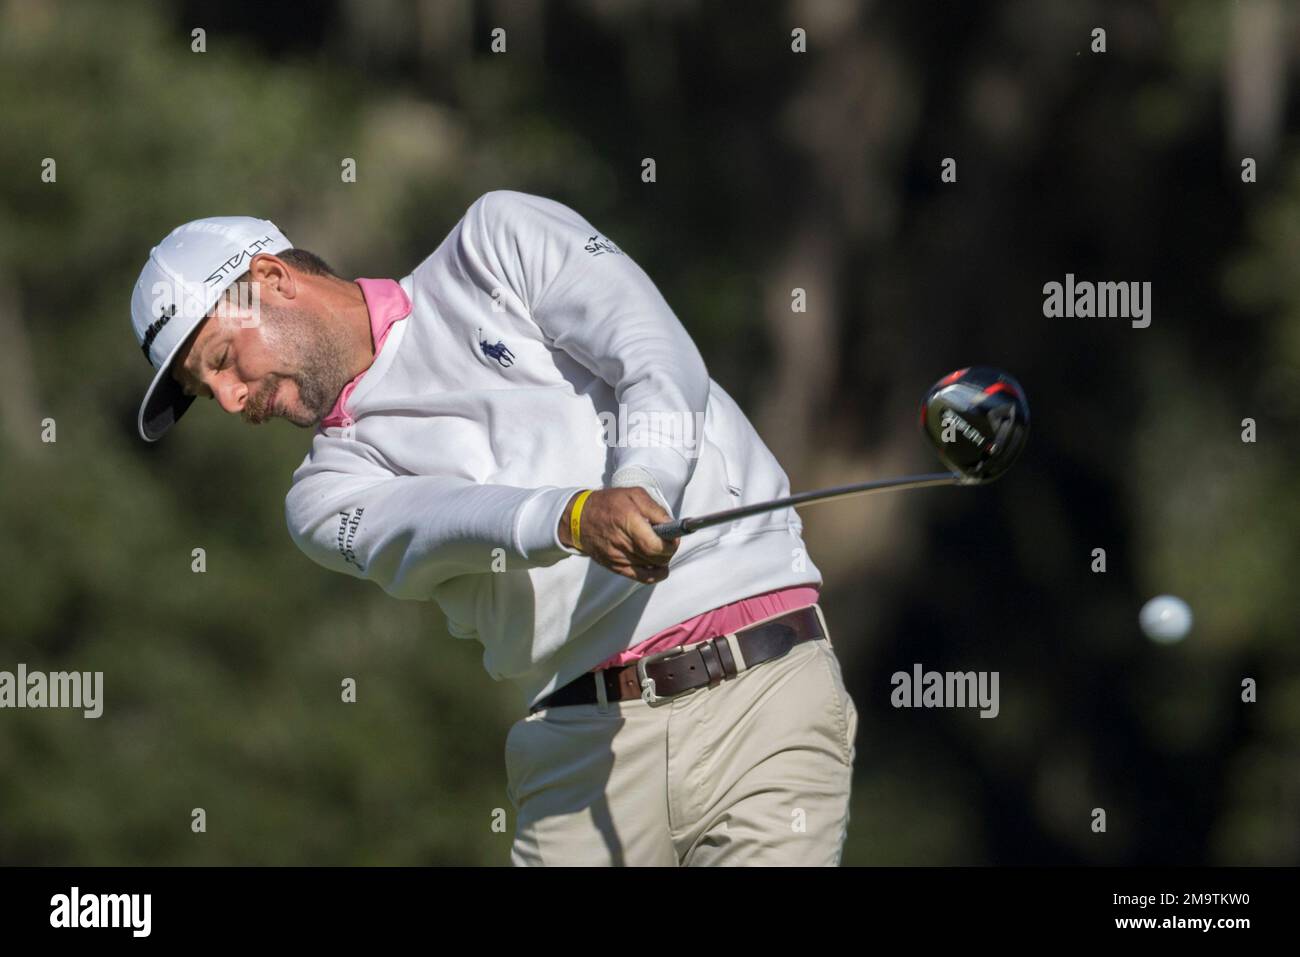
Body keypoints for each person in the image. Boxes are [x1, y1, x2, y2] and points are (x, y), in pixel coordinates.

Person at [128, 191, 858, 865]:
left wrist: (646, 483)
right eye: (205, 389)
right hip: (578, 755)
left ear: (272, 279)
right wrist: (573, 517)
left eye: (222, 360)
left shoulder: (495, 239)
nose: (229, 398)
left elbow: (655, 353)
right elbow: (444, 522)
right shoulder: (320, 495)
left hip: (759, 685)